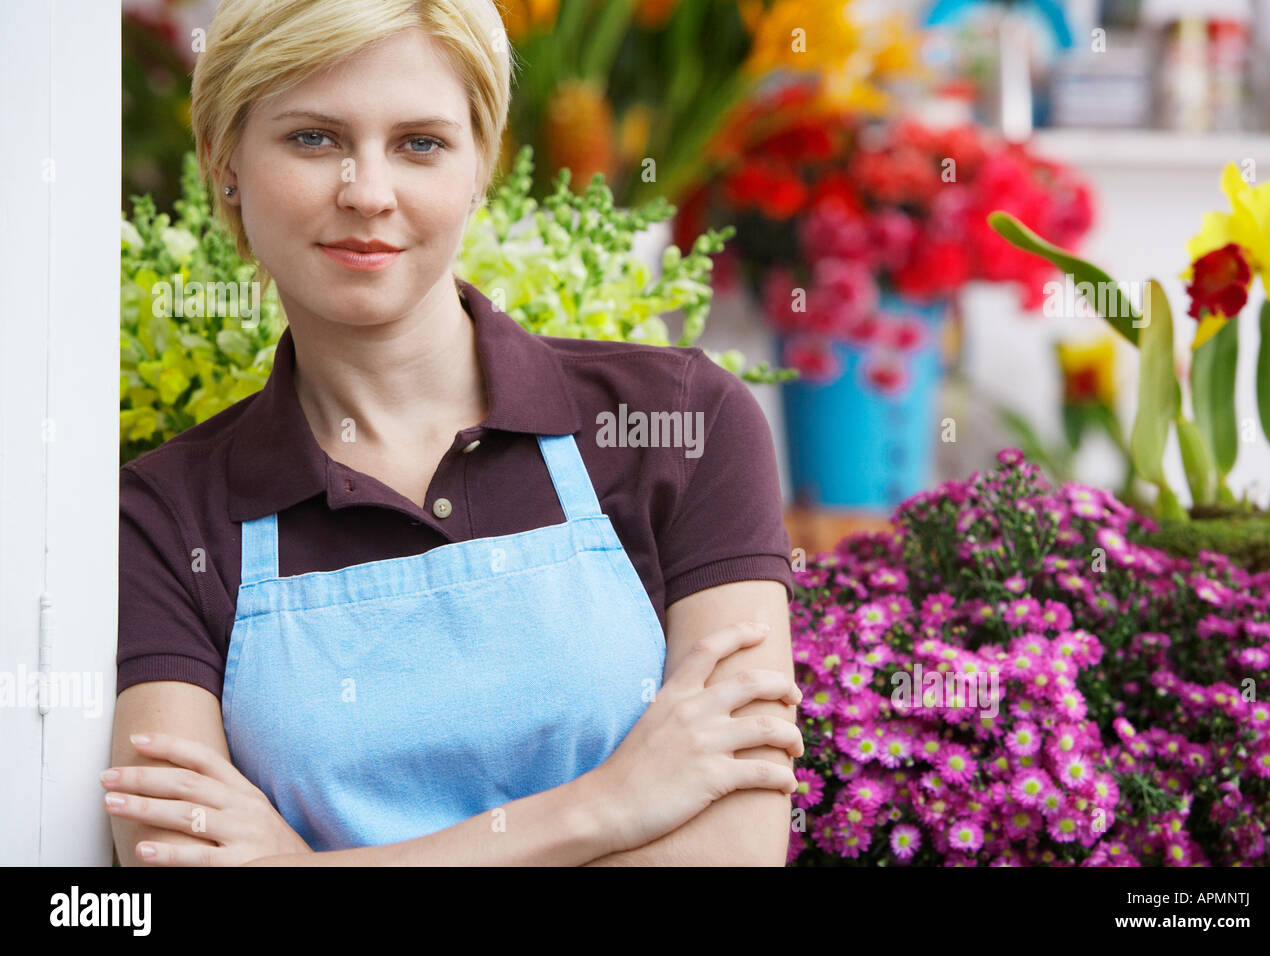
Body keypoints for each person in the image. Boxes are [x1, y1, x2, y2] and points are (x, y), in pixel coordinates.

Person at [108, 0, 801, 866]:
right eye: (313, 139)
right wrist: (605, 807)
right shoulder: (164, 519)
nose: (367, 192)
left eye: (421, 144)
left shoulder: (681, 424)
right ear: (224, 164)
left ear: (482, 167)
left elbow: (729, 852)